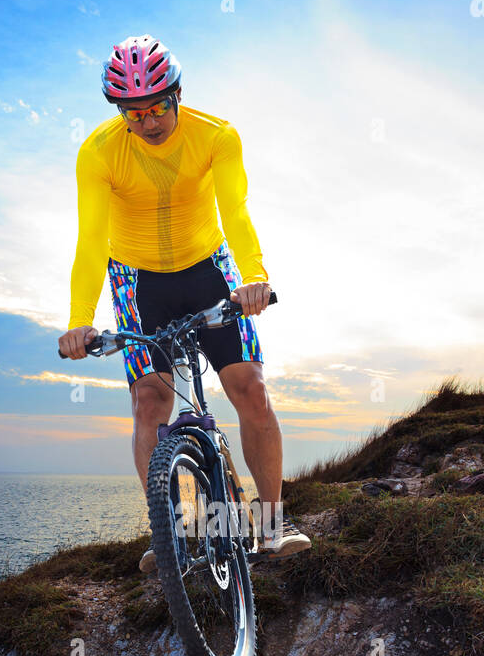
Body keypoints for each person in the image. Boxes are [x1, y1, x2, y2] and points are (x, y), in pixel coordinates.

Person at [59, 34, 311, 573]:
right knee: (150, 404)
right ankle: (168, 533)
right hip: (135, 279)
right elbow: (90, 241)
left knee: (250, 389)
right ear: (120, 112)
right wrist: (81, 321)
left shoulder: (215, 136)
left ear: (177, 95)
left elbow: (236, 212)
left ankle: (270, 526)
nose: (148, 123)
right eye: (134, 113)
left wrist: (255, 279)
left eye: (157, 108)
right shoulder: (99, 152)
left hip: (206, 268)